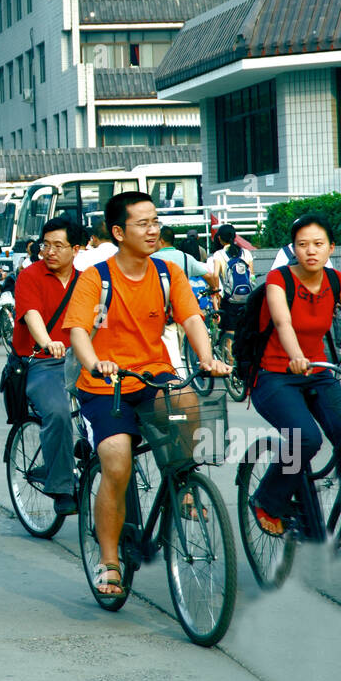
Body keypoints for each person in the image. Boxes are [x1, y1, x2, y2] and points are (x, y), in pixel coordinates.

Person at [65, 191, 227, 596]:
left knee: (187, 400)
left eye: (155, 221)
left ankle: (182, 482)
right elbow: (79, 331)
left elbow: (191, 317)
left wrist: (208, 357)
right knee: (116, 464)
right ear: (119, 232)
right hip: (106, 386)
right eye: (143, 223)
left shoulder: (166, 272)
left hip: (153, 375)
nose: (153, 229)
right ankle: (108, 560)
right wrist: (93, 363)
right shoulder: (95, 277)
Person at [250, 214, 341, 536]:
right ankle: (267, 499)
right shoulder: (278, 280)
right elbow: (283, 322)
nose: (311, 251)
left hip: (320, 372)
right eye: (302, 245)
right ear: (294, 249)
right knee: (306, 438)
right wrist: (296, 355)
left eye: (318, 244)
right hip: (275, 376)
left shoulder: (337, 280)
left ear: (331, 248)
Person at [13, 217, 84, 516]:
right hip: (42, 361)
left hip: (81, 359)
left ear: (76, 249)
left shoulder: (87, 281)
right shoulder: (29, 276)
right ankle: (61, 486)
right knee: (57, 412)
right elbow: (32, 315)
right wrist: (46, 341)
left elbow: (101, 321)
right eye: (46, 245)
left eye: (58, 245)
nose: (50, 251)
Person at [153, 226, 219, 371]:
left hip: (164, 311)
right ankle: (198, 369)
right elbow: (208, 275)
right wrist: (214, 290)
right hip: (185, 308)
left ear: (161, 240)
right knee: (187, 343)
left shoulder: (152, 259)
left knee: (171, 349)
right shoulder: (185, 257)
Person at [207, 224, 255, 335]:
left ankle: (229, 351)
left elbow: (215, 275)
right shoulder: (246, 253)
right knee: (245, 331)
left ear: (219, 238)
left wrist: (216, 292)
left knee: (230, 331)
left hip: (229, 299)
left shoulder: (218, 255)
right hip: (246, 298)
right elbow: (252, 275)